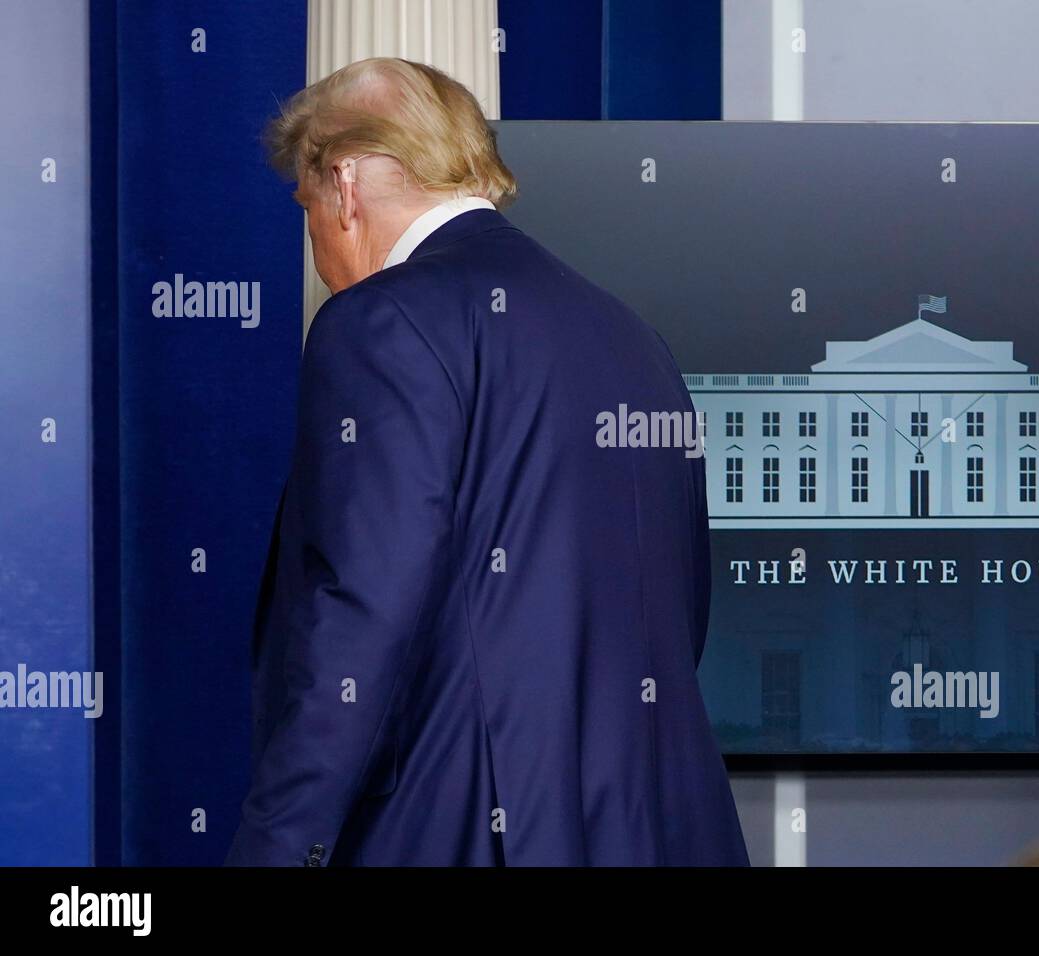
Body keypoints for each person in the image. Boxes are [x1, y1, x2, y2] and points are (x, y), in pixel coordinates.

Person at [225, 57, 749, 866]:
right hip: (653, 827)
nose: (319, 244)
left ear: (347, 182)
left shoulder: (379, 322)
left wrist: (277, 845)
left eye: (307, 207)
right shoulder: (633, 338)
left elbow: (363, 610)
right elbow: (682, 607)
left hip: (464, 824)